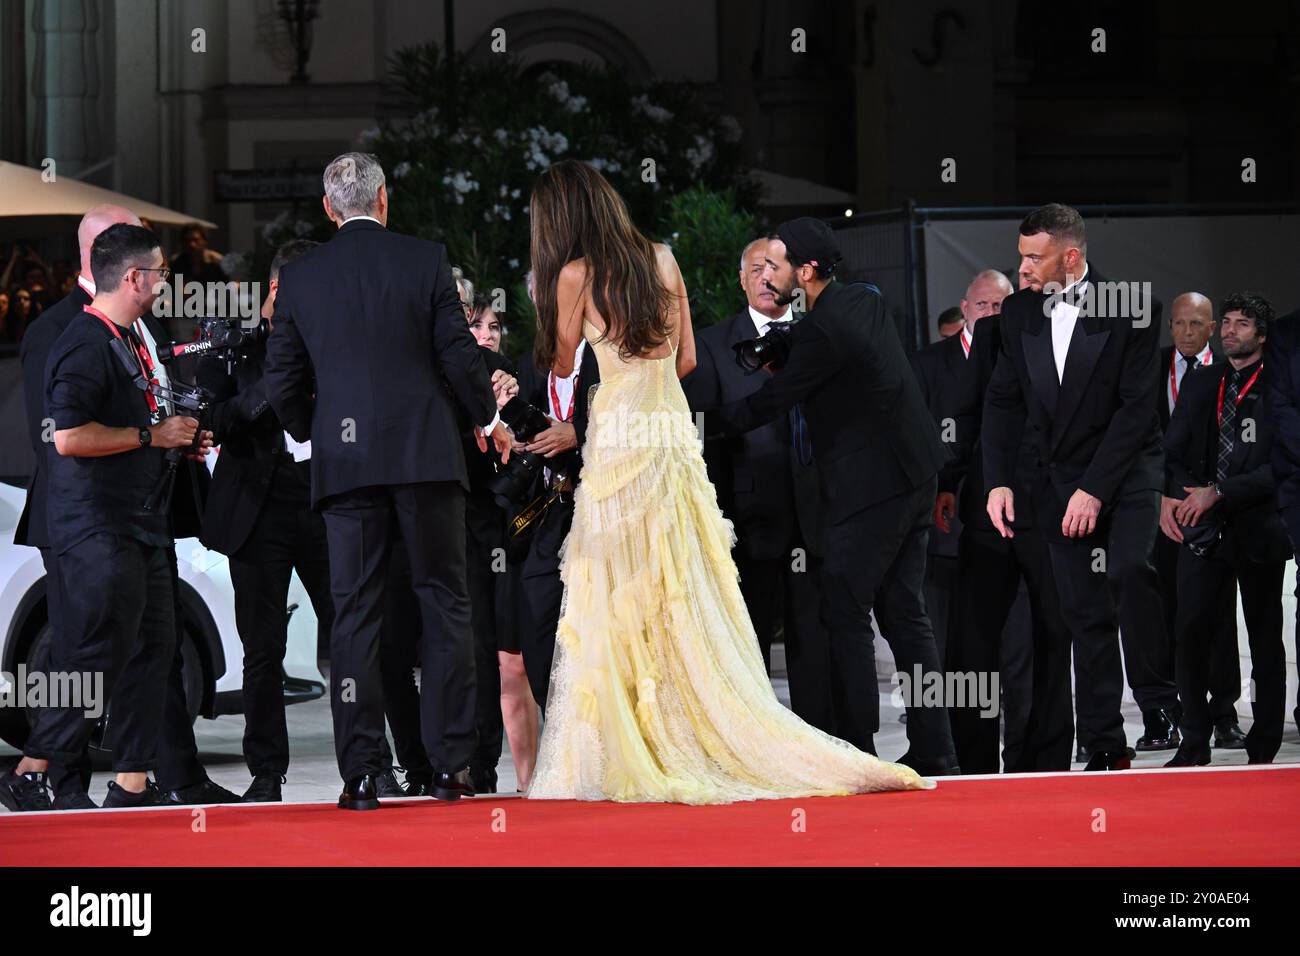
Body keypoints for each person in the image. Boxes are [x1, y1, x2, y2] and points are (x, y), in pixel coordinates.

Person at [527, 162, 932, 803]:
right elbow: (687, 360)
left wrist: (547, 304)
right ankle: (699, 726)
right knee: (681, 589)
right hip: (668, 443)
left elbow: (557, 361)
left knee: (617, 591)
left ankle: (641, 740)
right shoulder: (661, 259)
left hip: (618, 444)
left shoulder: (573, 276)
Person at [263, 152, 510, 810]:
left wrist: (313, 431)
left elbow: (281, 380)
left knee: (355, 614)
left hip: (344, 469)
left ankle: (362, 774)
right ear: (383, 201)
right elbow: (460, 357)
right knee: (445, 606)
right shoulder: (425, 259)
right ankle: (452, 768)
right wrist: (485, 415)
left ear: (328, 208)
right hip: (425, 457)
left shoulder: (300, 277)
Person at [0, 224, 213, 810]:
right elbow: (66, 438)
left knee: (152, 650)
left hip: (141, 522)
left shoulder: (131, 336)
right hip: (95, 526)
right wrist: (150, 434)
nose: (167, 283)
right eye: (161, 272)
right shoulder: (83, 341)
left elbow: (138, 424)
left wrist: (174, 441)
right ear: (134, 277)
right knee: (95, 654)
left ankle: (131, 783)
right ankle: (31, 770)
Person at [983, 203, 1172, 771]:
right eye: (1020, 258)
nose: (1023, 270)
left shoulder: (1134, 307)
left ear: (1071, 256)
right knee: (1083, 613)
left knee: (1128, 571)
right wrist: (997, 483)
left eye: (1034, 259)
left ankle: (1163, 705)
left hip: (1128, 470)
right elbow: (1003, 401)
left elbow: (1138, 411)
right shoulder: (1017, 316)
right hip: (1058, 480)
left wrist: (1094, 489)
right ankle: (1104, 743)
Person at [199, 239, 336, 802]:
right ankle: (265, 773)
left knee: (354, 630)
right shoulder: (232, 348)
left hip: (326, 503)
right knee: (262, 649)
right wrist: (271, 389)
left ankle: (368, 762)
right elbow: (214, 419)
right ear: (278, 290)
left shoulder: (331, 345)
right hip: (258, 515)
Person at [682, 237, 832, 733]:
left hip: (819, 517)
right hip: (746, 519)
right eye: (756, 269)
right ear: (742, 280)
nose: (767, 278)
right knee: (750, 640)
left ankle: (826, 743)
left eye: (776, 267)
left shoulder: (820, 335)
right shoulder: (710, 344)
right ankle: (755, 742)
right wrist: (717, 520)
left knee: (818, 637)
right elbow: (702, 434)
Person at [1161, 292, 1288, 766]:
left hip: (1258, 527)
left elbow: (1283, 464)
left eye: (1242, 324)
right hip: (1200, 527)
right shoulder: (1203, 382)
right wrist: (1167, 496)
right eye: (1228, 322)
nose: (1230, 330)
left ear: (1262, 333)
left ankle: (1265, 744)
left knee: (1264, 638)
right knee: (1189, 631)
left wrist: (1221, 491)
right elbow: (1169, 451)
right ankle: (1194, 739)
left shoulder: (1280, 384)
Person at [1152, 292, 1244, 748]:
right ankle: (1172, 712)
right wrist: (1162, 496)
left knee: (1219, 616)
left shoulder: (1231, 374)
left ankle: (1224, 711)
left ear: (1212, 329)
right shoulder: (1149, 369)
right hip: (1160, 508)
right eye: (1179, 324)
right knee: (1168, 613)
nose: (1187, 333)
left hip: (1215, 508)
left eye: (1196, 325)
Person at [913, 269, 1013, 665]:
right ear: (965, 307)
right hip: (947, 509)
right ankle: (942, 708)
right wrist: (940, 487)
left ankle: (1006, 710)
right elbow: (919, 433)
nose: (990, 313)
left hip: (1007, 515)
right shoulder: (927, 363)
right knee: (941, 614)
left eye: (1000, 305)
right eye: (983, 304)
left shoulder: (1021, 356)